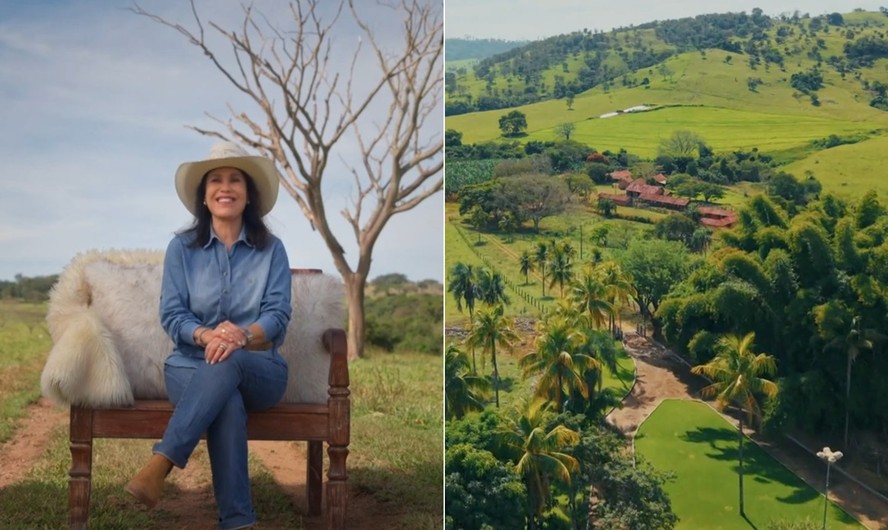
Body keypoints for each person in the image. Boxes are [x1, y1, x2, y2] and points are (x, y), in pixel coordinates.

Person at [125, 141, 292, 530]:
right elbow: (172, 314)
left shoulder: (272, 250)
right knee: (226, 403)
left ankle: (162, 461)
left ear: (248, 194)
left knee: (230, 363)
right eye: (215, 180)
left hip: (259, 369)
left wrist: (241, 337)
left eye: (236, 180)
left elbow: (278, 314)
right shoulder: (182, 249)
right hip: (190, 366)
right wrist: (204, 336)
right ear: (204, 195)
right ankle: (238, 522)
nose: (225, 187)